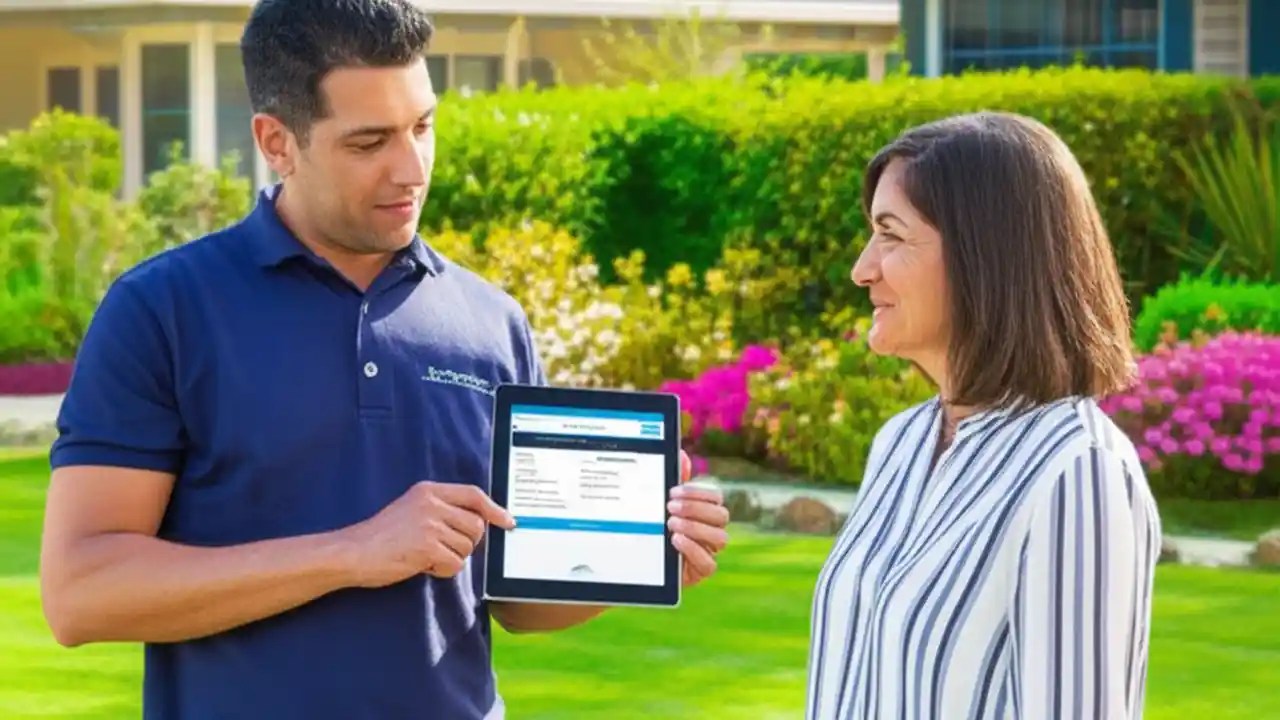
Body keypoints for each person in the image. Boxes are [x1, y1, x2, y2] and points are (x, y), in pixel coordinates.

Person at [37, 1, 729, 718]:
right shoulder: (162, 310)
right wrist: (353, 552)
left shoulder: (491, 323)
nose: (411, 169)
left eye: (422, 127)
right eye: (369, 143)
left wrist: (641, 557)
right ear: (277, 142)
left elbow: (516, 600)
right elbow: (82, 593)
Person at [805, 112, 1162, 720]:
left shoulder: (1078, 473)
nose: (862, 269)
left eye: (891, 236)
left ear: (984, 256)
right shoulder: (901, 443)